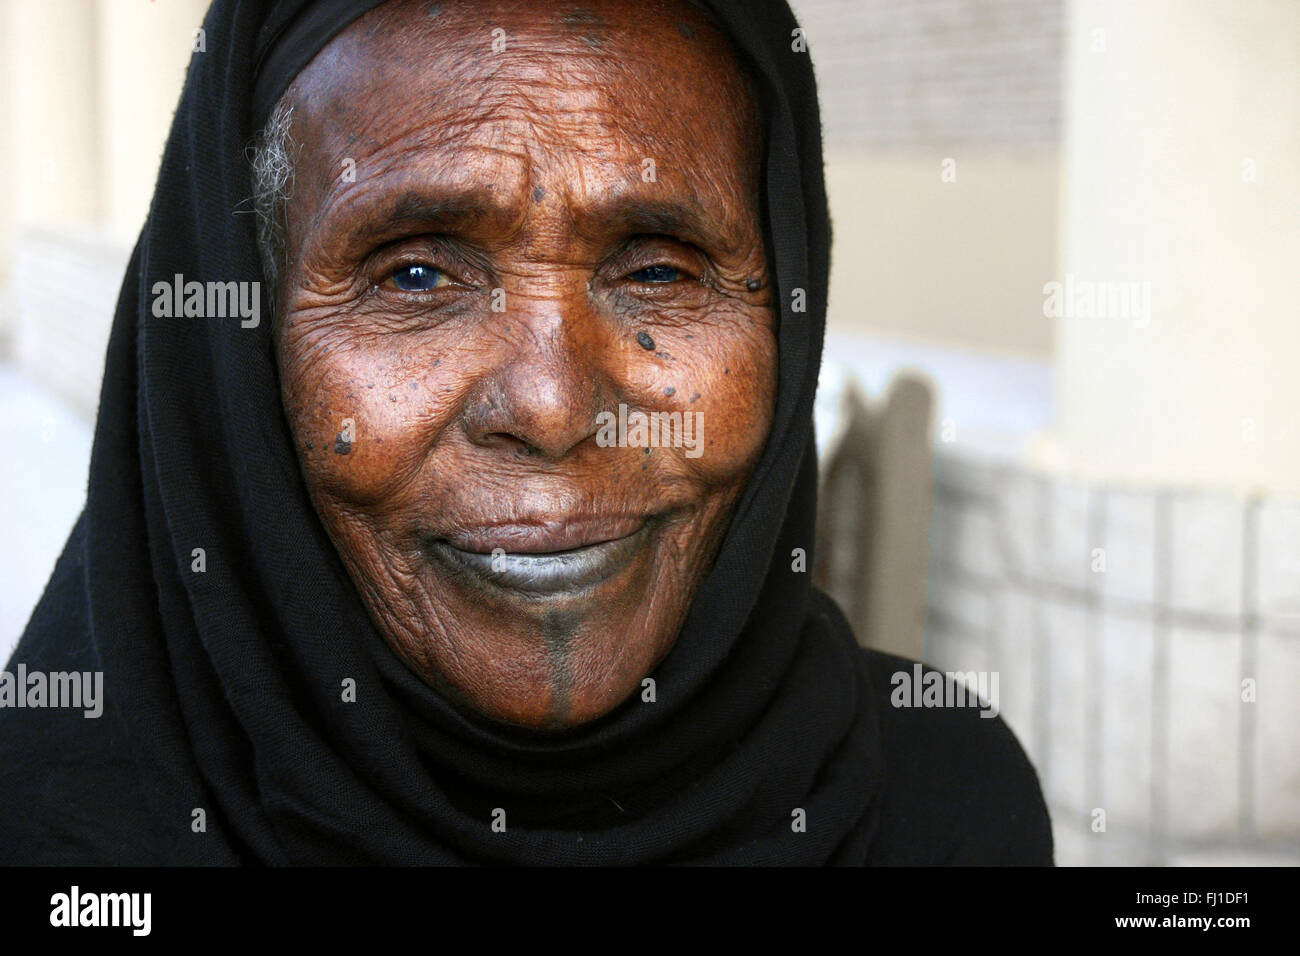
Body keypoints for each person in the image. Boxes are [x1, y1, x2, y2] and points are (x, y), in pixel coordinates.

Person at [0, 0, 1052, 865]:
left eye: (657, 269)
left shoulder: (945, 810)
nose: (552, 409)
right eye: (414, 273)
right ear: (243, 346)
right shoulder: (62, 834)